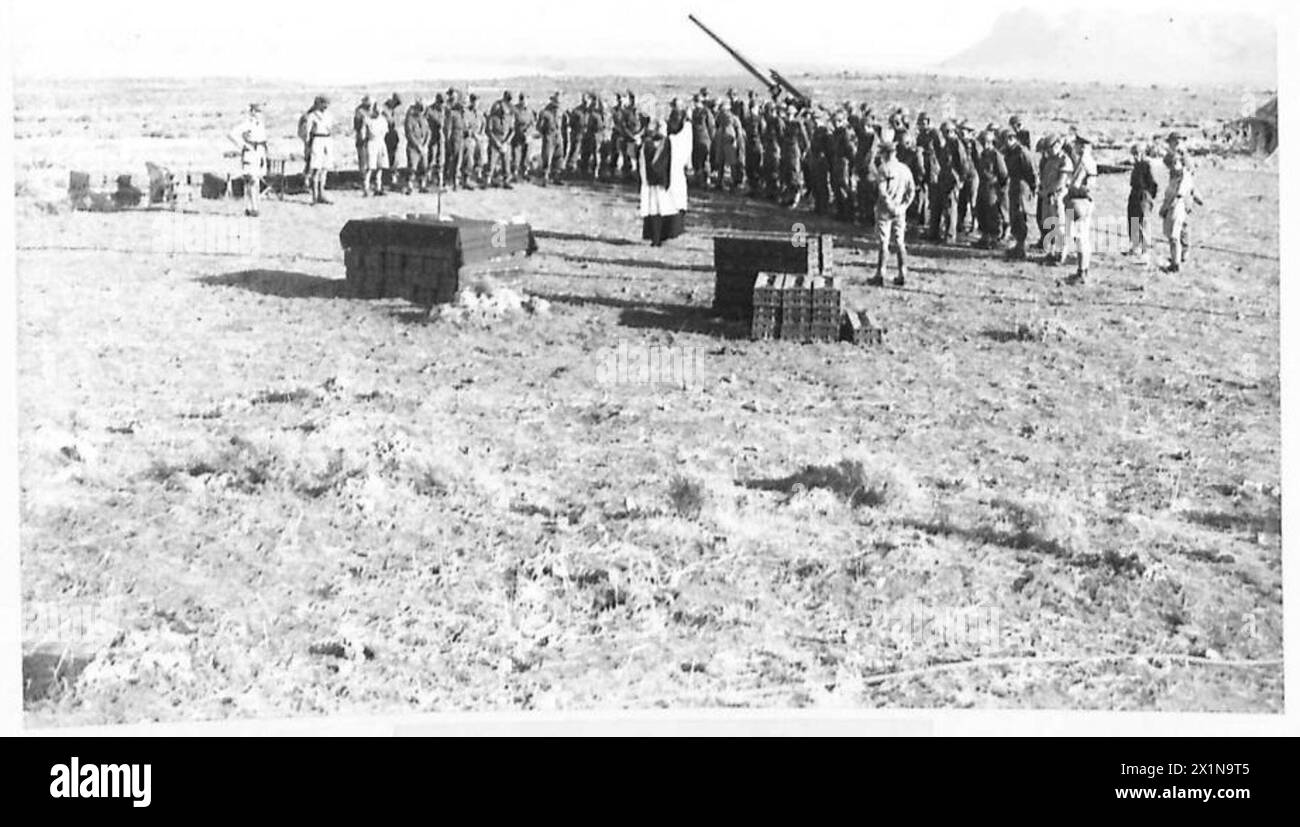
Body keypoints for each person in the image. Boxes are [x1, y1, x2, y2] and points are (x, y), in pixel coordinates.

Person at [867, 140, 916, 287]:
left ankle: (880, 273)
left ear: (885, 154)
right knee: (900, 241)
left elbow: (882, 192)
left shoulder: (884, 169)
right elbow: (911, 191)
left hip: (885, 210)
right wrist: (903, 207)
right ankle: (902, 273)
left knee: (884, 242)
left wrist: (890, 206)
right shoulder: (905, 169)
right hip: (900, 211)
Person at [639, 117, 685, 246]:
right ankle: (657, 238)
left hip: (660, 182)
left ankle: (658, 238)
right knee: (658, 210)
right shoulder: (656, 144)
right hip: (658, 182)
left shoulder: (666, 144)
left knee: (659, 210)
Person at [1159, 146, 1203, 273]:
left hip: (1177, 207)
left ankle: (1176, 263)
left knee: (1174, 236)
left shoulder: (1184, 176)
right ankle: (1175, 260)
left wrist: (1165, 207)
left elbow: (1178, 195)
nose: (1171, 168)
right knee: (1171, 235)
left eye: (1173, 164)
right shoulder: (1174, 176)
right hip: (1171, 207)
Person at [1064, 132, 1098, 284]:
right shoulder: (1090, 160)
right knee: (1084, 238)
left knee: (1080, 238)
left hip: (1080, 201)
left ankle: (1081, 272)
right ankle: (1083, 270)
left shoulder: (1083, 162)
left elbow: (1075, 185)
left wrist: (1067, 191)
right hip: (1087, 201)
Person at [1001, 128, 1038, 260]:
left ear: (1012, 139)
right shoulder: (1009, 151)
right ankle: (1018, 245)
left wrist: (1033, 188)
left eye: (1006, 141)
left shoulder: (1022, 152)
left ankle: (1021, 248)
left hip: (1022, 187)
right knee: (1014, 215)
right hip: (1014, 185)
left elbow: (1031, 171)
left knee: (1021, 215)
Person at [1038, 134, 1073, 265]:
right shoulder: (1050, 160)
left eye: (1050, 148)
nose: (1048, 151)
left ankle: (1061, 255)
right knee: (1049, 224)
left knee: (1060, 226)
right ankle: (1052, 252)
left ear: (1057, 145)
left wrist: (1047, 191)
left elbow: (1061, 181)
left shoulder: (1064, 160)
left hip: (1058, 197)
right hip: (1048, 197)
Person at [229, 102, 268, 217]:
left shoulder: (260, 124)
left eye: (261, 111)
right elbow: (232, 134)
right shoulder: (247, 124)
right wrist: (243, 145)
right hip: (250, 153)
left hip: (259, 152)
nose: (259, 114)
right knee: (252, 180)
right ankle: (253, 207)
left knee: (256, 181)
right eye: (257, 111)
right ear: (252, 112)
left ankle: (251, 207)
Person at [974, 129, 1008, 248]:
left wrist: (999, 188)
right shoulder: (983, 154)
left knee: (992, 212)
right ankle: (984, 237)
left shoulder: (996, 155)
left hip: (993, 187)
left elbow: (1003, 173)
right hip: (982, 185)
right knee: (981, 210)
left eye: (985, 142)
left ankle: (994, 239)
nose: (983, 144)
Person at [1126, 143, 1159, 263]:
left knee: (1143, 222)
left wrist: (1149, 198)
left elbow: (1153, 184)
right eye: (1133, 154)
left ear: (1142, 153)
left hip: (1144, 196)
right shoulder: (1136, 166)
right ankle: (1135, 247)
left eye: (1137, 154)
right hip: (1134, 194)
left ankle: (1145, 251)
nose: (1135, 157)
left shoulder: (1147, 165)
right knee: (1132, 220)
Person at [301, 95, 335, 205]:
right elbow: (307, 132)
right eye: (323, 104)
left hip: (327, 140)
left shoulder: (329, 115)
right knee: (316, 169)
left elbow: (331, 128)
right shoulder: (312, 116)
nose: (325, 106)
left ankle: (322, 194)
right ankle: (314, 196)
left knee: (324, 169)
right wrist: (308, 145)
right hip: (317, 140)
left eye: (327, 104)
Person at [485, 92, 514, 188]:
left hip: (505, 142)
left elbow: (512, 131)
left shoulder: (509, 118)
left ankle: (506, 180)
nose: (503, 113)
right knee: (491, 162)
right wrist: (496, 142)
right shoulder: (493, 118)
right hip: (495, 142)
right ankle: (488, 180)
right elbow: (488, 131)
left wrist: (506, 142)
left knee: (506, 162)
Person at [360, 102, 389, 196]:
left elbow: (385, 132)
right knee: (370, 167)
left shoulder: (383, 120)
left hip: (380, 143)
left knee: (380, 166)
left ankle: (378, 187)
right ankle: (366, 188)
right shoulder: (367, 120)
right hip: (371, 143)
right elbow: (363, 134)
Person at [403, 98, 431, 194]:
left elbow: (428, 132)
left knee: (424, 166)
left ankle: (422, 185)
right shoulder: (410, 119)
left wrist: (426, 144)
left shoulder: (424, 119)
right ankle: (409, 186)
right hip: (413, 147)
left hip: (423, 146)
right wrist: (417, 145)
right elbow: (409, 134)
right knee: (412, 167)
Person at [536, 92, 564, 185]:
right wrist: (545, 134)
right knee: (547, 156)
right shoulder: (545, 113)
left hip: (558, 135)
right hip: (549, 135)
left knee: (559, 156)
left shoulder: (560, 112)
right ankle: (545, 177)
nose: (557, 104)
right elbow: (539, 127)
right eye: (556, 101)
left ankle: (556, 176)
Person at [462, 93, 485, 188]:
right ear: (471, 102)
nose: (476, 103)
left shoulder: (480, 114)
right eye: (474, 101)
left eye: (477, 101)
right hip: (468, 137)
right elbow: (465, 127)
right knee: (470, 147)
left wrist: (480, 135)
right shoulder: (466, 112)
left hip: (478, 137)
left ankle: (478, 172)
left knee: (481, 147)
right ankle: (466, 177)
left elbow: (483, 126)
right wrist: (473, 134)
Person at [511, 93, 535, 183]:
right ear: (520, 100)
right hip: (517, 136)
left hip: (527, 137)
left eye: (526, 99)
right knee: (516, 156)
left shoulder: (530, 110)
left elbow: (532, 124)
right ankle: (515, 173)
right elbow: (511, 124)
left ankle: (525, 173)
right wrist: (520, 133)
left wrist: (529, 133)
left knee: (527, 156)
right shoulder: (514, 110)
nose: (525, 102)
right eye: (523, 99)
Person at [444, 91, 466, 190]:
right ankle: (451, 181)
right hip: (454, 139)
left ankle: (455, 180)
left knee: (459, 160)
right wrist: (448, 142)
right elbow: (448, 129)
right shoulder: (452, 113)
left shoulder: (462, 115)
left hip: (460, 138)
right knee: (453, 160)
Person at [426, 93, 447, 189]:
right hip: (432, 137)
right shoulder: (430, 110)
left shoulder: (445, 110)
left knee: (441, 160)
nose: (442, 104)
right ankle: (428, 179)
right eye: (440, 102)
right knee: (431, 158)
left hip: (442, 138)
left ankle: (440, 181)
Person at [353, 95, 373, 175]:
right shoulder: (359, 111)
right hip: (361, 137)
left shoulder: (371, 111)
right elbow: (357, 126)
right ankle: (363, 175)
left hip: (370, 136)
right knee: (362, 157)